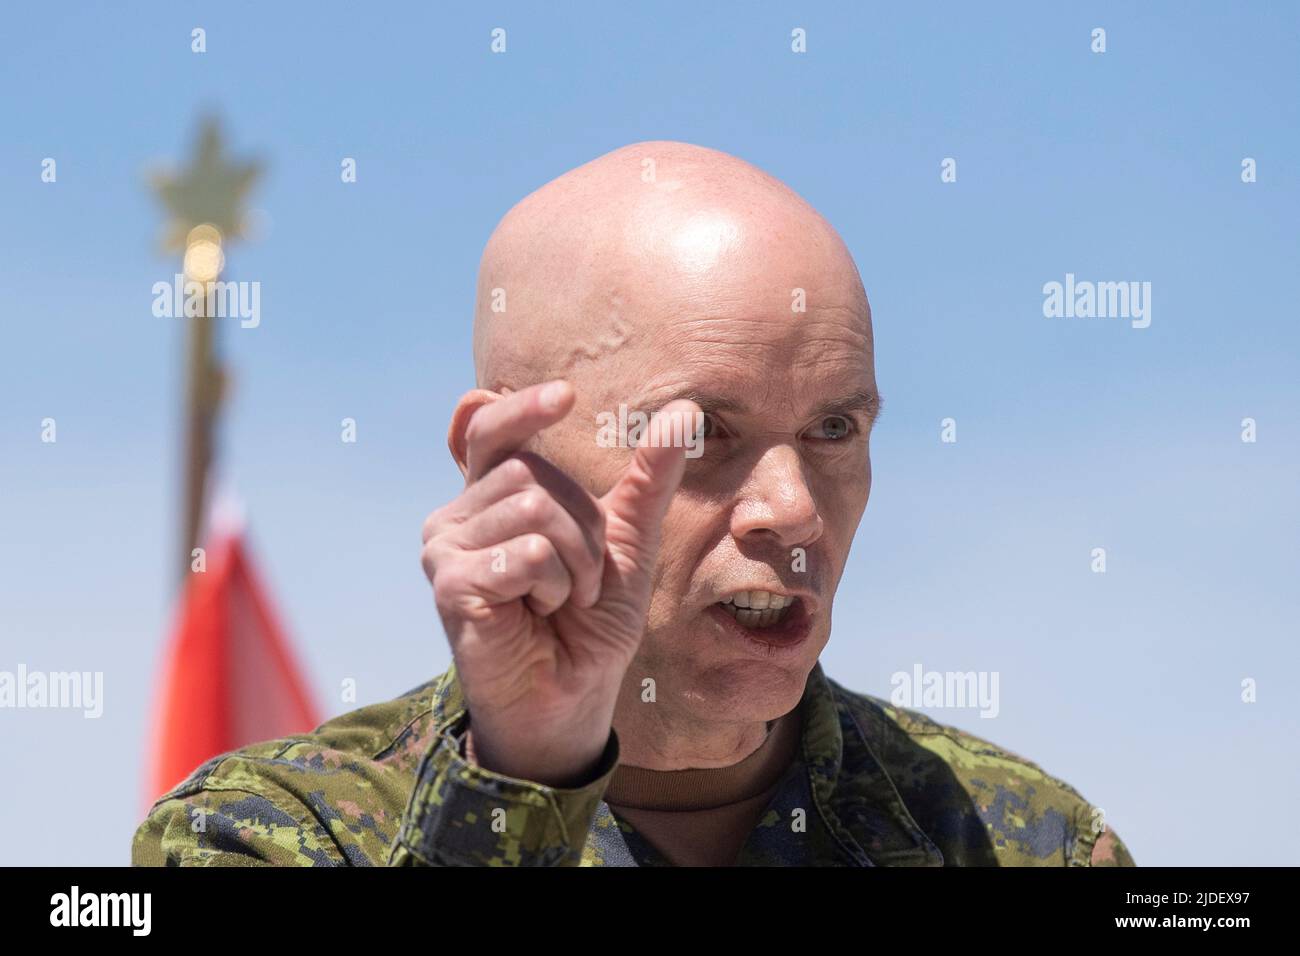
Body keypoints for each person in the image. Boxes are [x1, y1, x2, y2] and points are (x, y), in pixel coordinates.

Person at [132, 141, 1135, 867]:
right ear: (508, 462)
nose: (790, 509)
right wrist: (519, 785)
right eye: (701, 434)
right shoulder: (271, 833)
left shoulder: (1016, 839)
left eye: (833, 429)